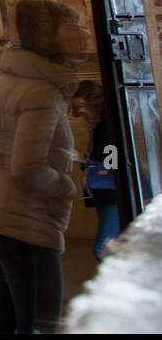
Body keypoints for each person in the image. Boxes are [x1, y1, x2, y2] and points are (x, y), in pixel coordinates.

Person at [0, 0, 85, 333]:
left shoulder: (2, 78)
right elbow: (28, 166)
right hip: (23, 223)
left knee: (6, 321)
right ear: (50, 37)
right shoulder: (41, 91)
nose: (81, 33)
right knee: (38, 325)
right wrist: (65, 186)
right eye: (71, 26)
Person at [70, 81, 119, 261]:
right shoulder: (100, 128)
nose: (80, 113)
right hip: (105, 192)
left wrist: (82, 159)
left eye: (82, 107)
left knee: (102, 248)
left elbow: (112, 162)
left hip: (112, 193)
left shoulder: (107, 128)